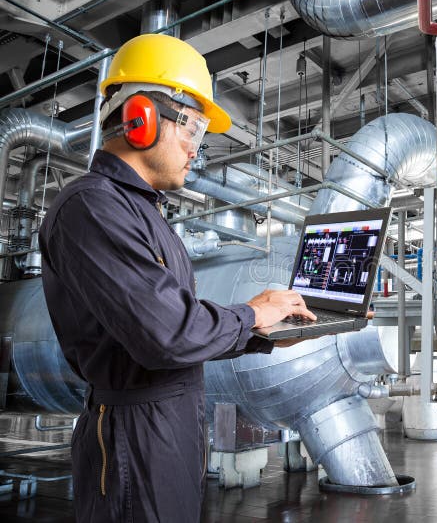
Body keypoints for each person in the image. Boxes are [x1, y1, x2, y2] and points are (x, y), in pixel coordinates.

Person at [38, 34, 315, 522]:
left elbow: (172, 323)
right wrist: (250, 314)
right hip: (133, 443)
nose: (197, 148)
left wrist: (259, 330)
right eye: (191, 128)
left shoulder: (139, 211)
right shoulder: (93, 208)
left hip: (165, 432)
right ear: (140, 119)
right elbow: (165, 335)